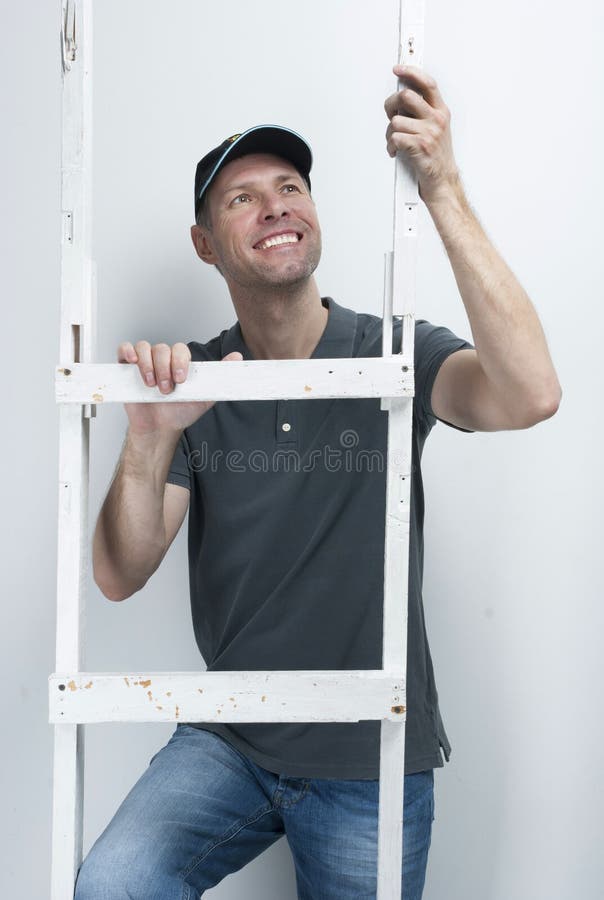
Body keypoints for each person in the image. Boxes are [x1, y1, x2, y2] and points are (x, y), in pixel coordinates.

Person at [75, 64, 561, 900]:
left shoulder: (394, 352)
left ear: (314, 212)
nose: (274, 206)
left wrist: (441, 186)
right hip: (233, 740)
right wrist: (150, 437)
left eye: (290, 186)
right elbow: (120, 573)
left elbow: (530, 394)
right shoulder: (197, 382)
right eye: (241, 198)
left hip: (366, 752)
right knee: (111, 885)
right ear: (204, 242)